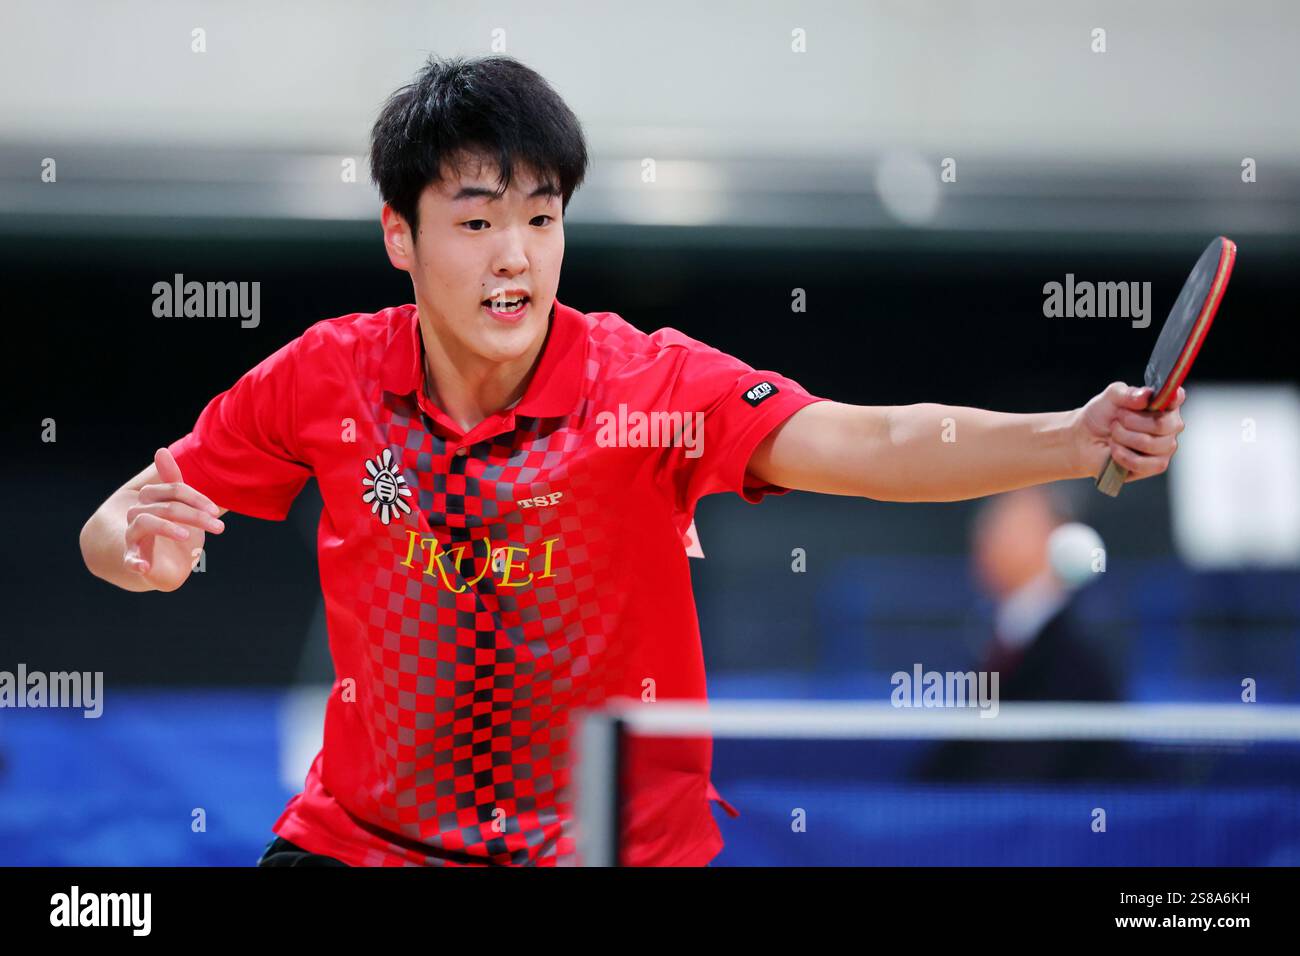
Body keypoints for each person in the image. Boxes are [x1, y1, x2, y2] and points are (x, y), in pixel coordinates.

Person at [78, 54, 1184, 866]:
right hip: (364, 845)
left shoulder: (649, 384)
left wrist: (1072, 434)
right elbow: (122, 516)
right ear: (398, 237)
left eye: (541, 217)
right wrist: (134, 549)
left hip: (608, 853)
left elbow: (870, 437)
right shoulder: (328, 376)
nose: (515, 255)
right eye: (475, 222)